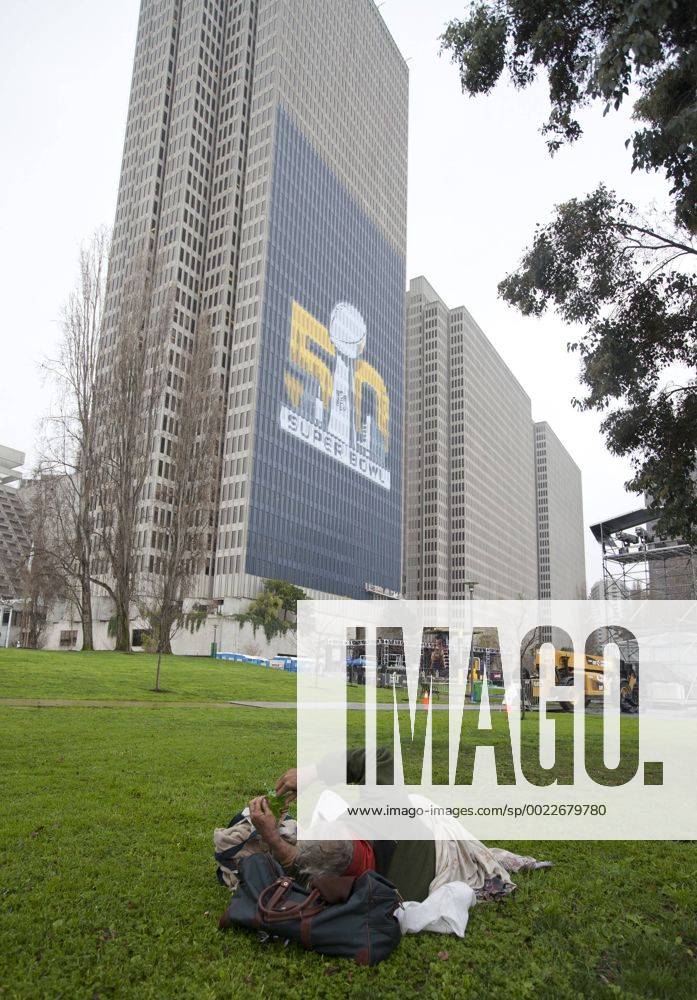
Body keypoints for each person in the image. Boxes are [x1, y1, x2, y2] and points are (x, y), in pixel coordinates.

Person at [248, 749, 549, 903]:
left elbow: (301, 867)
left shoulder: (357, 892)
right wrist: (313, 772)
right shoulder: (386, 814)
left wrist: (274, 839)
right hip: (434, 843)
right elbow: (378, 756)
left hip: (419, 842)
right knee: (473, 850)